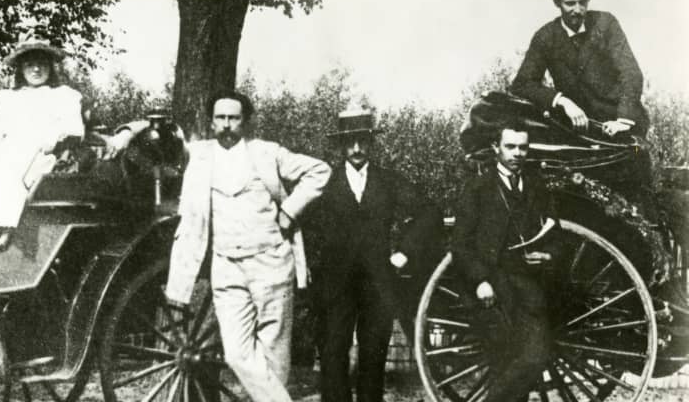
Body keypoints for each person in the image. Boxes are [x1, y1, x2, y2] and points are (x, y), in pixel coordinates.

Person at [165, 91, 330, 402]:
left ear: (246, 122)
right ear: (211, 122)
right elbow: (162, 138)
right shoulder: (198, 155)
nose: (227, 125)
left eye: (234, 118)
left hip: (271, 264)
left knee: (275, 360)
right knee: (237, 354)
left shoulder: (266, 153)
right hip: (226, 267)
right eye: (220, 118)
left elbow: (319, 171)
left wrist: (289, 210)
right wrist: (127, 132)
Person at [303, 107, 440, 402]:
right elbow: (304, 224)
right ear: (341, 144)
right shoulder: (324, 182)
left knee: (374, 357)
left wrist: (403, 253)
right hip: (334, 285)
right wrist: (313, 265)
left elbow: (430, 213)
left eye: (362, 140)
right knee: (332, 354)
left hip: (378, 283)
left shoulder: (387, 180)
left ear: (371, 142)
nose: (356, 148)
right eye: (350, 141)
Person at [451, 120, 560, 402]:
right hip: (492, 290)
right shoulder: (477, 188)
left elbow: (557, 234)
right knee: (504, 360)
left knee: (536, 356)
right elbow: (460, 244)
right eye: (510, 146)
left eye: (523, 147)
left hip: (529, 289)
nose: (517, 154)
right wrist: (480, 281)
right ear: (495, 147)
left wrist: (548, 255)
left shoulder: (536, 187)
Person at [0, 39, 84, 227]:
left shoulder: (64, 95)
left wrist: (53, 140)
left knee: (9, 176)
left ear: (50, 67)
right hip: (8, 150)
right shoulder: (8, 97)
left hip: (42, 153)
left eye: (42, 64)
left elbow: (73, 127)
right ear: (21, 68)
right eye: (30, 64)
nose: (36, 70)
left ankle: (4, 228)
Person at [511, 0, 649, 137]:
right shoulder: (545, 37)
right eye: (570, 3)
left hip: (620, 124)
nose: (577, 10)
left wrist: (623, 120)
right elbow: (522, 84)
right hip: (578, 128)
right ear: (556, 3)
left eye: (582, 2)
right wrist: (561, 101)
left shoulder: (605, 24)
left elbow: (631, 73)